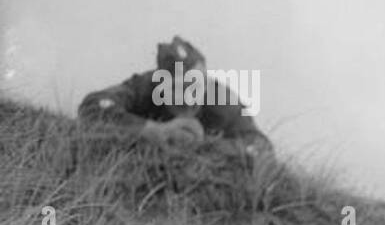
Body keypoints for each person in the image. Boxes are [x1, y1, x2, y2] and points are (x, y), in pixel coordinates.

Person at [77, 36, 272, 157]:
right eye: (179, 89)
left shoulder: (221, 99)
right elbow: (94, 106)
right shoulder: (146, 85)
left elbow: (261, 148)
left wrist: (206, 146)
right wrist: (152, 130)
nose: (189, 97)